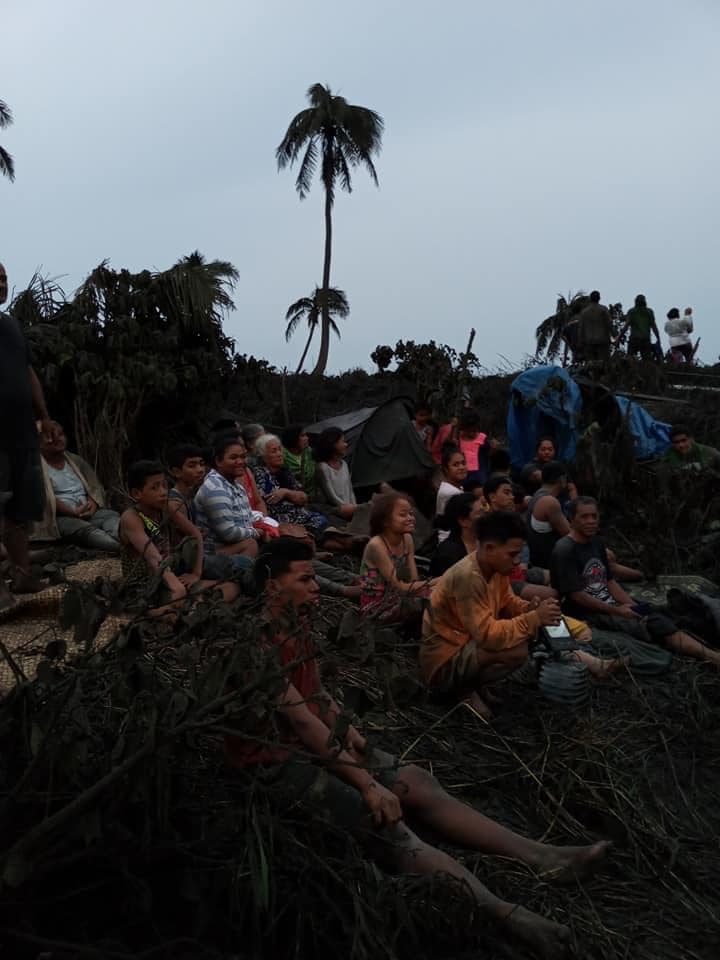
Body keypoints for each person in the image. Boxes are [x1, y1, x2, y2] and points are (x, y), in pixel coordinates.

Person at [225, 536, 610, 959]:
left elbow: (317, 697)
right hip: (277, 764)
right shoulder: (253, 643)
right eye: (305, 578)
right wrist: (366, 783)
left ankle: (543, 856)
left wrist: (355, 739)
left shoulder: (297, 625)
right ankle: (510, 917)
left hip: (313, 743)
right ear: (273, 587)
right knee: (388, 825)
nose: (316, 586)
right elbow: (299, 719)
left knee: (417, 783)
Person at [421, 512, 563, 717]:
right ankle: (459, 688)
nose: (516, 562)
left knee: (521, 640)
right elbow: (487, 635)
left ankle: (473, 685)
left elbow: (507, 601)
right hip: (445, 656)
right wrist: (533, 619)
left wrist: (527, 608)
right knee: (516, 651)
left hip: (466, 640)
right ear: (489, 548)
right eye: (512, 554)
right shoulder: (469, 577)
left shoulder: (495, 567)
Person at [550, 497, 720, 667]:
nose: (591, 521)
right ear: (571, 519)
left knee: (663, 613)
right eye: (584, 517)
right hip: (587, 613)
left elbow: (609, 581)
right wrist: (617, 611)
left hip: (611, 604)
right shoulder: (565, 550)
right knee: (658, 625)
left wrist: (632, 606)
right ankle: (714, 658)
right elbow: (577, 596)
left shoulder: (596, 543)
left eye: (594, 516)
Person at [0, 262, 57, 607]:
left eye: (4, 278)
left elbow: (28, 372)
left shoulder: (10, 325)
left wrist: (45, 416)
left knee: (20, 510)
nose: (2, 284)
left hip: (20, 432)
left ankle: (22, 577)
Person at [119, 460, 239, 613]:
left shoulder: (166, 507)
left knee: (232, 587)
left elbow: (195, 533)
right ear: (137, 493)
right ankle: (174, 610)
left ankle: (192, 607)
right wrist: (177, 587)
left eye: (164, 485)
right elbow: (154, 559)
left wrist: (196, 573)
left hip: (171, 575)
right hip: (145, 586)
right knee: (177, 598)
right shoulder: (131, 518)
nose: (163, 492)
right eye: (154, 488)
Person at [35, 421, 120, 552]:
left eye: (61, 434)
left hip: (89, 513)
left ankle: (129, 539)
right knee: (85, 530)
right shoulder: (36, 468)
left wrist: (93, 503)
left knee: (111, 517)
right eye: (51, 436)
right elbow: (45, 497)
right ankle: (121, 548)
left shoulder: (75, 460)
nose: (58, 439)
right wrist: (72, 512)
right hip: (60, 519)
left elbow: (94, 486)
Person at [359, 493, 434, 623]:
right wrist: (437, 581)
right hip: (377, 607)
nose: (410, 518)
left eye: (411, 513)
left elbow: (413, 579)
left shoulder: (407, 538)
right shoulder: (377, 545)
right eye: (403, 515)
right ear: (385, 521)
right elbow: (398, 587)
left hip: (401, 595)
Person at [195, 436, 266, 561]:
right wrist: (257, 532)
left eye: (243, 457)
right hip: (212, 554)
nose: (240, 462)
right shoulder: (215, 489)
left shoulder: (237, 486)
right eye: (233, 458)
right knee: (251, 544)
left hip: (236, 545)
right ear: (218, 461)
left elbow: (247, 518)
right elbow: (229, 534)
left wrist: (267, 525)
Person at [254, 434, 328, 538]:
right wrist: (293, 497)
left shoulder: (285, 472)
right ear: (263, 456)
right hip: (281, 521)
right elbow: (271, 502)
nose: (279, 454)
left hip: (299, 515)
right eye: (274, 451)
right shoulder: (260, 474)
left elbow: (303, 497)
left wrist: (286, 492)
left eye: (280, 450)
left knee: (321, 520)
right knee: (320, 523)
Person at [526, 462, 571, 569]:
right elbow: (571, 536)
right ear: (562, 479)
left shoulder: (537, 496)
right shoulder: (549, 502)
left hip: (538, 562)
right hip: (549, 566)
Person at [430, 492, 484, 577]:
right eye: (480, 513)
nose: (486, 516)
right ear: (463, 521)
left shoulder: (487, 541)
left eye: (484, 511)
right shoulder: (447, 554)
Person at [313, 427, 357, 520]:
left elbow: (350, 490)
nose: (346, 445)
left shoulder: (344, 464)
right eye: (343, 441)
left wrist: (354, 506)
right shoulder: (323, 467)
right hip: (334, 509)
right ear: (333, 444)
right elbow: (331, 496)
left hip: (349, 508)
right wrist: (346, 507)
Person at [434, 446, 468, 542]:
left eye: (463, 463)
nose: (461, 467)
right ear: (445, 469)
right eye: (455, 465)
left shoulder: (457, 487)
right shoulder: (450, 492)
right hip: (450, 540)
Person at [616, 294, 660, 361]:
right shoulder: (649, 311)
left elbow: (626, 326)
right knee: (647, 360)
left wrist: (619, 338)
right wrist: (658, 338)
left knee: (629, 358)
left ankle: (631, 369)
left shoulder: (632, 311)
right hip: (646, 339)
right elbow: (654, 326)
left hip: (634, 338)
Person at [281, 424, 316, 495]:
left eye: (306, 435)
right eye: (302, 436)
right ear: (293, 438)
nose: (307, 438)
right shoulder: (283, 457)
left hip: (313, 494)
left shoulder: (309, 452)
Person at [577, 291, 612, 362]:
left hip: (589, 342)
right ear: (599, 298)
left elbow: (580, 329)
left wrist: (580, 343)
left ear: (590, 299)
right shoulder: (603, 309)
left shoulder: (584, 312)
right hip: (602, 341)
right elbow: (609, 325)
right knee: (604, 364)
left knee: (591, 364)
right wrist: (615, 338)